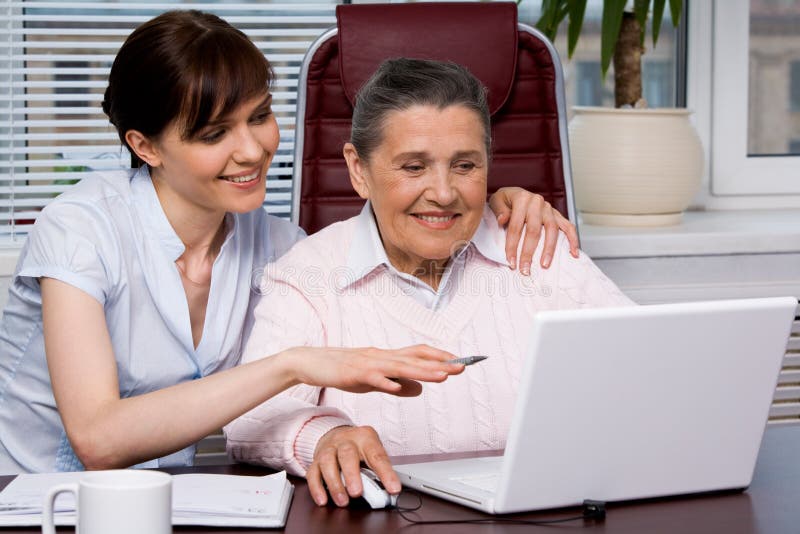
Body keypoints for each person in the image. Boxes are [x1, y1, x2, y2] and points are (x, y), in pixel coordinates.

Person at [0, 11, 576, 474]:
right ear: (145, 146)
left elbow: (394, 219)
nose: (253, 150)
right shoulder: (79, 229)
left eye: (260, 116)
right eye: (214, 133)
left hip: (169, 499)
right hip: (36, 499)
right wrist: (293, 366)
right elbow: (98, 438)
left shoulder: (279, 247)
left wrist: (494, 203)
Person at [224, 58, 635, 507]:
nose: (443, 193)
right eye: (414, 167)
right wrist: (325, 436)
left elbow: (653, 371)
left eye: (465, 165)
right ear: (358, 170)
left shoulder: (539, 249)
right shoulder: (306, 276)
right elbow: (248, 420)